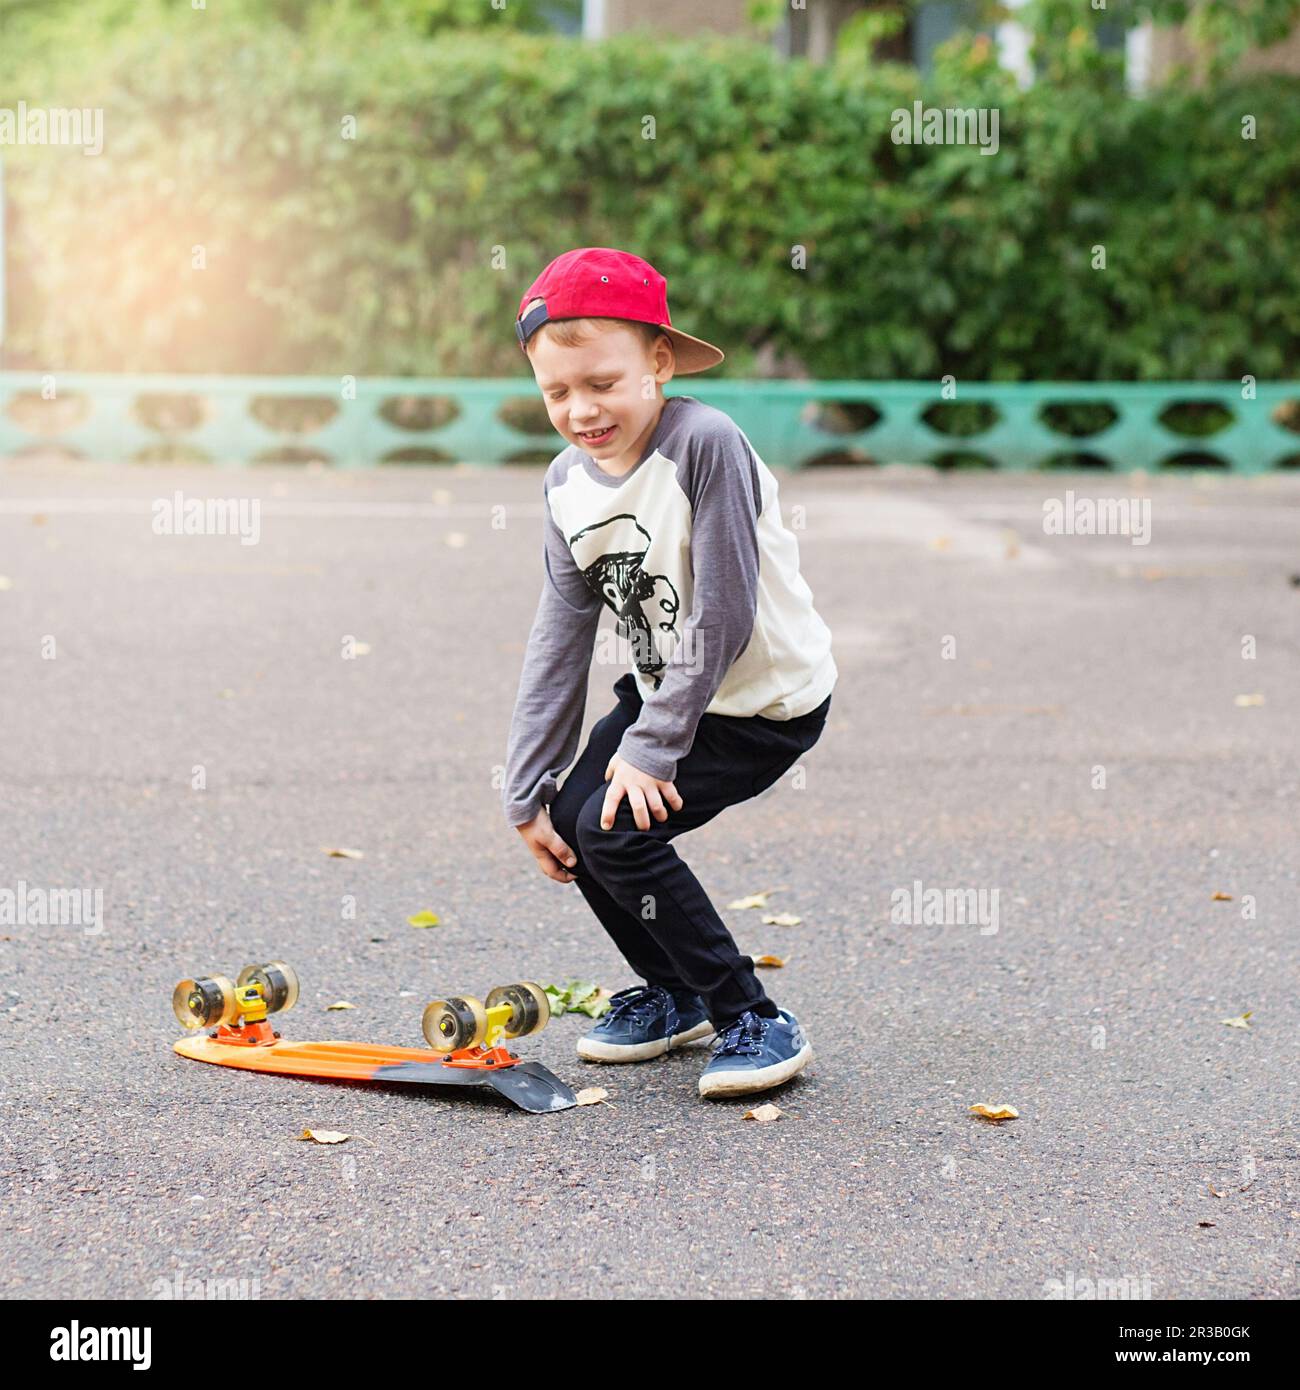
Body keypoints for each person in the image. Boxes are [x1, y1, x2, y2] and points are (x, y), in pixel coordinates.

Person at [501, 246, 837, 1099]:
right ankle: (675, 992)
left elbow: (724, 609)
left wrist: (651, 748)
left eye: (603, 383)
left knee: (616, 827)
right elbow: (560, 635)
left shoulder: (704, 445)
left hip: (762, 701)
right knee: (576, 823)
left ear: (657, 362)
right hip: (668, 693)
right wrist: (526, 785)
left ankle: (753, 1017)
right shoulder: (565, 485)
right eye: (558, 393)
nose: (582, 410)